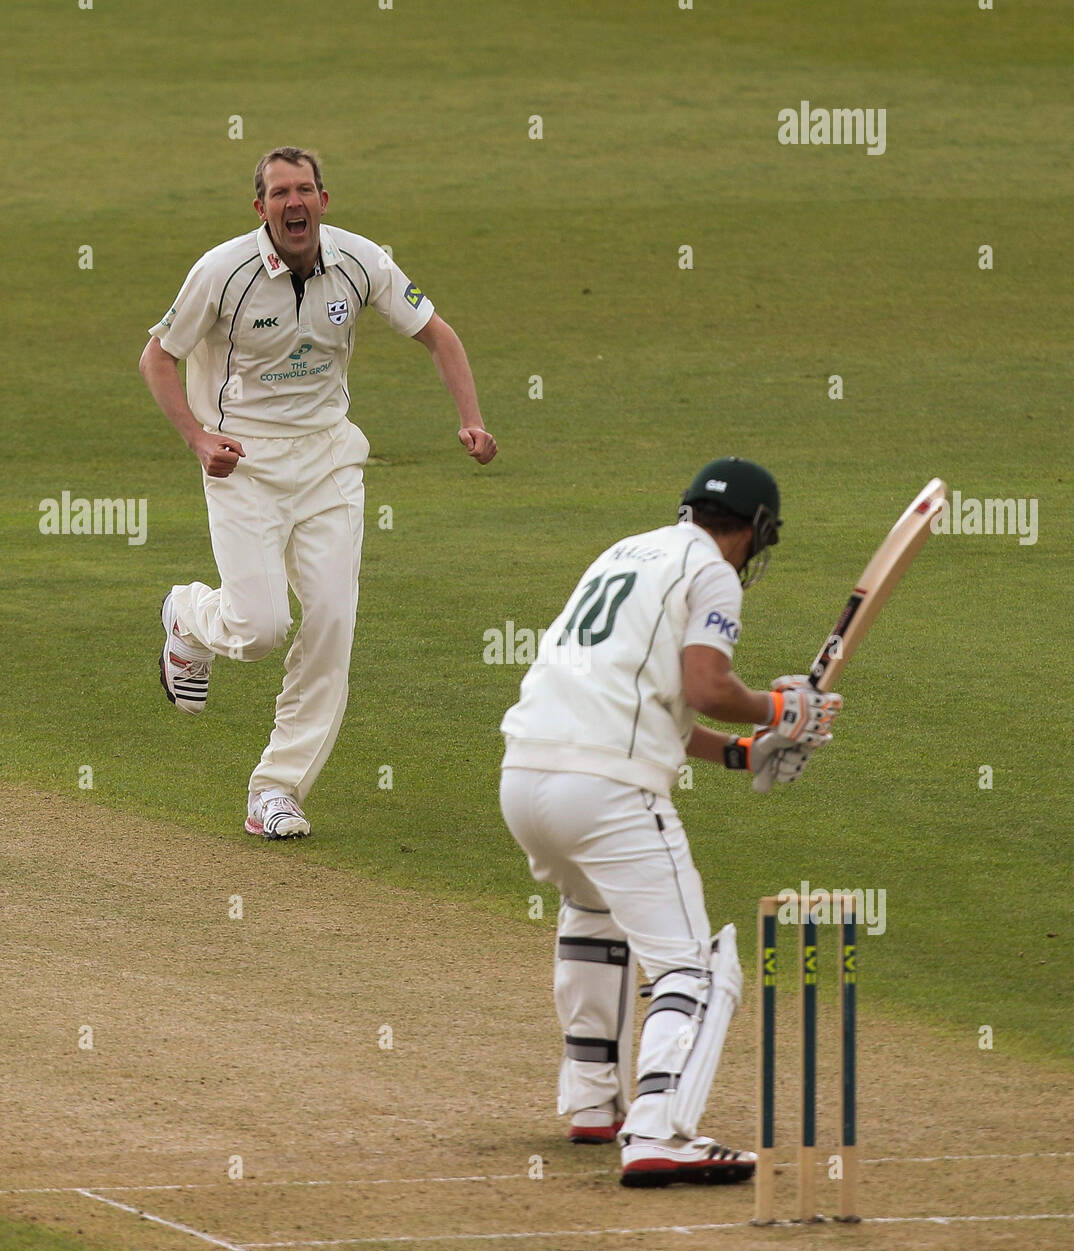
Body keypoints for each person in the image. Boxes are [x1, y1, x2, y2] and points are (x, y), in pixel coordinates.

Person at [498, 457, 842, 1187]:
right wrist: (786, 710)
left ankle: (594, 1104)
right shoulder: (712, 570)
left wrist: (741, 753)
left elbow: (644, 697)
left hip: (526, 776)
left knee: (593, 915)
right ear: (755, 530)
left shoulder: (625, 553)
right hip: (607, 791)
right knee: (695, 964)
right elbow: (705, 686)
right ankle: (659, 1131)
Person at [140, 145, 496, 839]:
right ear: (261, 208)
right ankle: (188, 615)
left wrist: (472, 421)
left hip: (330, 461)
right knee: (262, 627)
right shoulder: (223, 272)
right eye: (279, 193)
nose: (293, 202)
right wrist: (198, 438)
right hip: (242, 463)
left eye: (304, 189)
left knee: (332, 621)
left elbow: (439, 336)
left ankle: (277, 790)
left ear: (324, 200)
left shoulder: (361, 261)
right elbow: (158, 356)